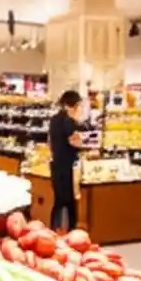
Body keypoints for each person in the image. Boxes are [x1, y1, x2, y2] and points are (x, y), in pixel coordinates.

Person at [48, 90, 84, 232]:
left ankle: (54, 228)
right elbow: (74, 142)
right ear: (72, 106)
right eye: (79, 106)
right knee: (70, 202)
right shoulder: (68, 122)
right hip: (68, 166)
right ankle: (71, 231)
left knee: (58, 201)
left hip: (56, 164)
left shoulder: (54, 120)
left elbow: (51, 143)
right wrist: (82, 143)